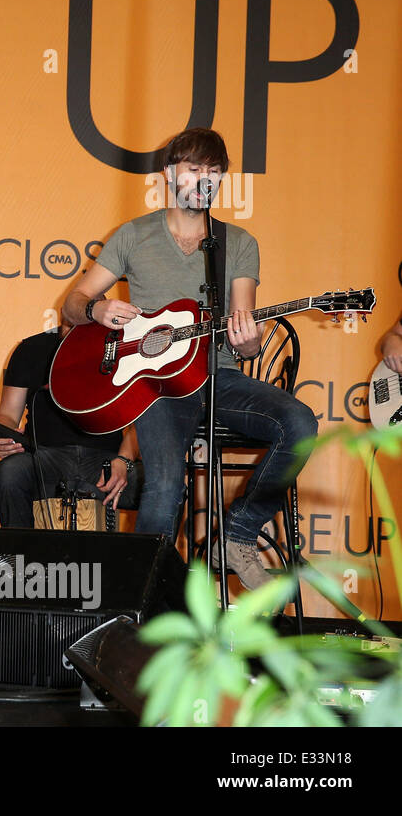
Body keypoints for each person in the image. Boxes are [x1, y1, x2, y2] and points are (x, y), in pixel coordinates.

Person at [61, 127, 318, 589]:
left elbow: (246, 333)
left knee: (299, 424)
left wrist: (247, 343)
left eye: (214, 171)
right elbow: (73, 303)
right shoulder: (133, 235)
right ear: (169, 174)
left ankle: (237, 533)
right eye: (194, 168)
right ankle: (141, 606)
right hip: (156, 388)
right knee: (163, 487)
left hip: (219, 376)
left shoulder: (236, 243)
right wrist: (97, 309)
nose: (204, 178)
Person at [0, 322, 140, 529]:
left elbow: (141, 421)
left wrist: (124, 459)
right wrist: (5, 437)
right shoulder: (32, 348)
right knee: (10, 473)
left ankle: (146, 560)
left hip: (106, 459)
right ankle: (19, 555)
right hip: (46, 456)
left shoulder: (125, 348)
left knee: (164, 485)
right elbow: (7, 414)